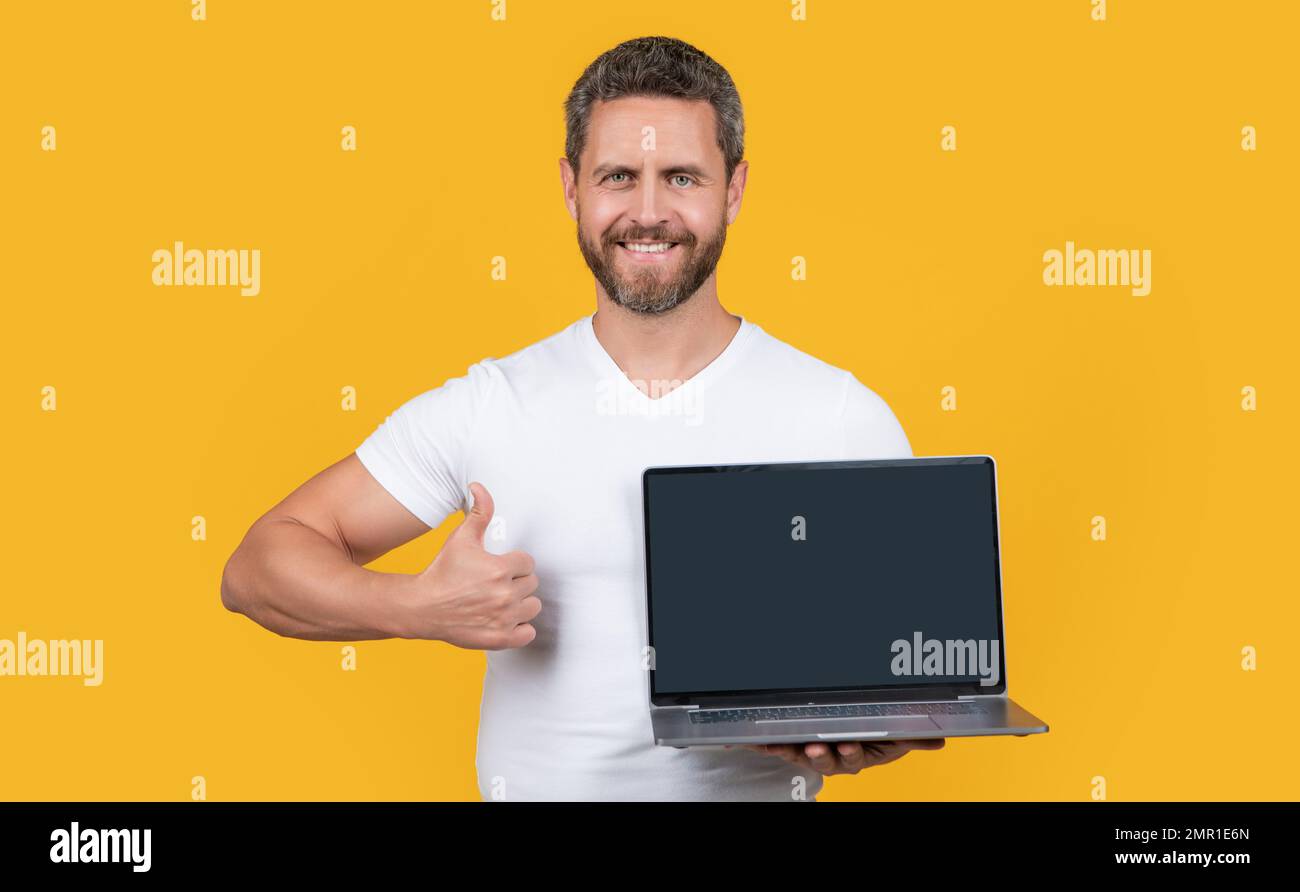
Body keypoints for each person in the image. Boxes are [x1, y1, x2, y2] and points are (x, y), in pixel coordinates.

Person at [220, 35, 944, 801]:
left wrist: (861, 737)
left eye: (683, 177)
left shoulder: (837, 416)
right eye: (619, 176)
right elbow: (255, 568)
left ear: (733, 189)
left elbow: (912, 689)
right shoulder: (490, 405)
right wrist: (418, 607)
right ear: (572, 188)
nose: (650, 212)